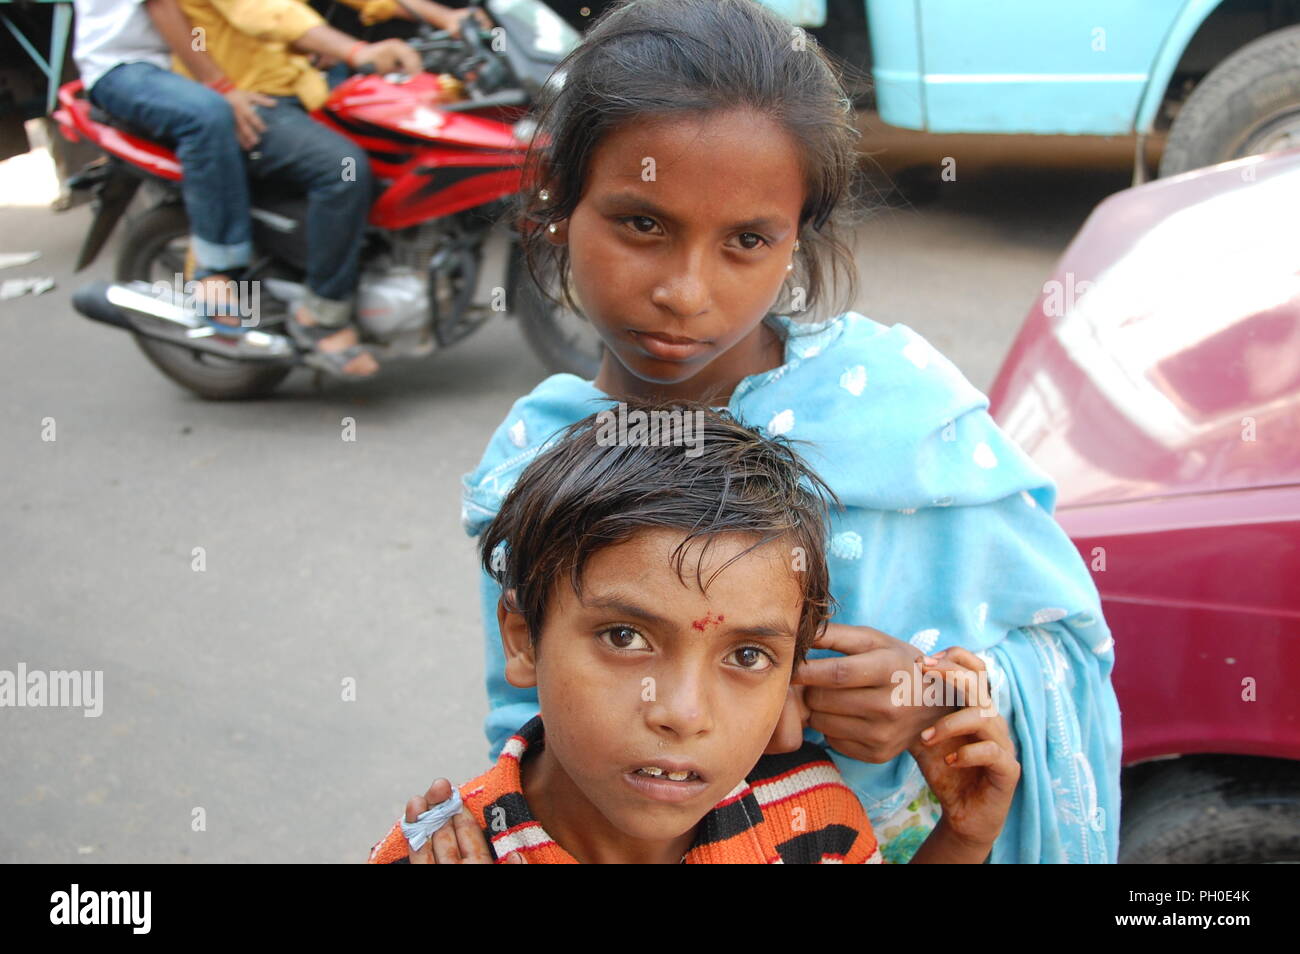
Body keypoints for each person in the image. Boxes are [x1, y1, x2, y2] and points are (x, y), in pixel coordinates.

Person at [402, 0, 1123, 864]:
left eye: (746, 239)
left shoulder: (894, 410)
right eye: (642, 224)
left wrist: (933, 693)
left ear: (797, 237)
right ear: (559, 202)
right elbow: (528, 729)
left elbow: (1066, 650)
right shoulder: (534, 461)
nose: (685, 290)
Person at [367, 402, 1020, 863]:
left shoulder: (814, 819)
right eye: (624, 637)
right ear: (523, 639)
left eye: (746, 654)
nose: (683, 713)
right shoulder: (443, 852)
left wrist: (961, 841)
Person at [162, 0, 426, 377]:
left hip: (301, 89)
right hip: (248, 99)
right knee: (342, 171)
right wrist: (357, 50)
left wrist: (444, 16)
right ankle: (321, 314)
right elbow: (268, 12)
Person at [72, 0, 261, 326]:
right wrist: (220, 85)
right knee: (209, 116)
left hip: (194, 54)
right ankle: (214, 274)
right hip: (128, 66)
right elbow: (162, 7)